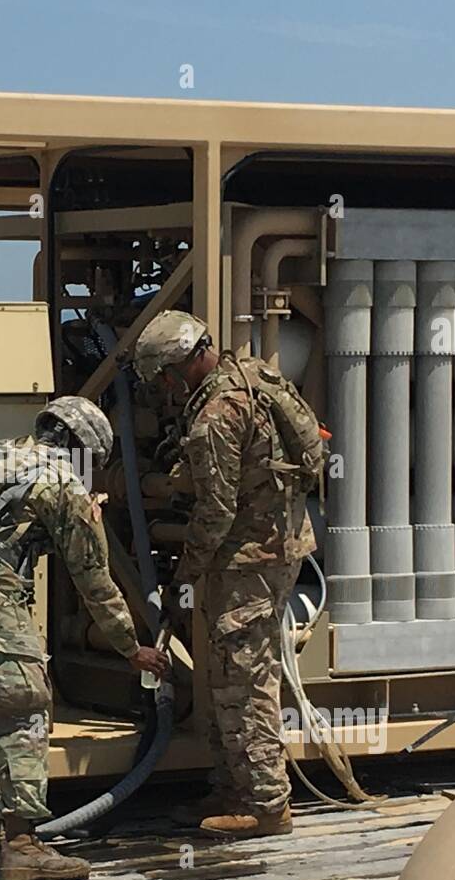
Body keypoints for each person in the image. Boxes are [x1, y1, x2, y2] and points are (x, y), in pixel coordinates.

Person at [0, 396, 169, 880]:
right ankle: (21, 844)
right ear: (84, 450)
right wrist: (131, 647)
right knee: (22, 707)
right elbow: (93, 578)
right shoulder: (61, 481)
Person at [133, 311, 321, 839]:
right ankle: (232, 787)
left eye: (164, 379)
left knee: (245, 677)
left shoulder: (216, 415)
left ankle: (266, 803)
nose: (165, 390)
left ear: (177, 368)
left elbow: (214, 513)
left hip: (247, 560)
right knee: (226, 670)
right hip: (272, 549)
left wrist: (184, 579)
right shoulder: (253, 377)